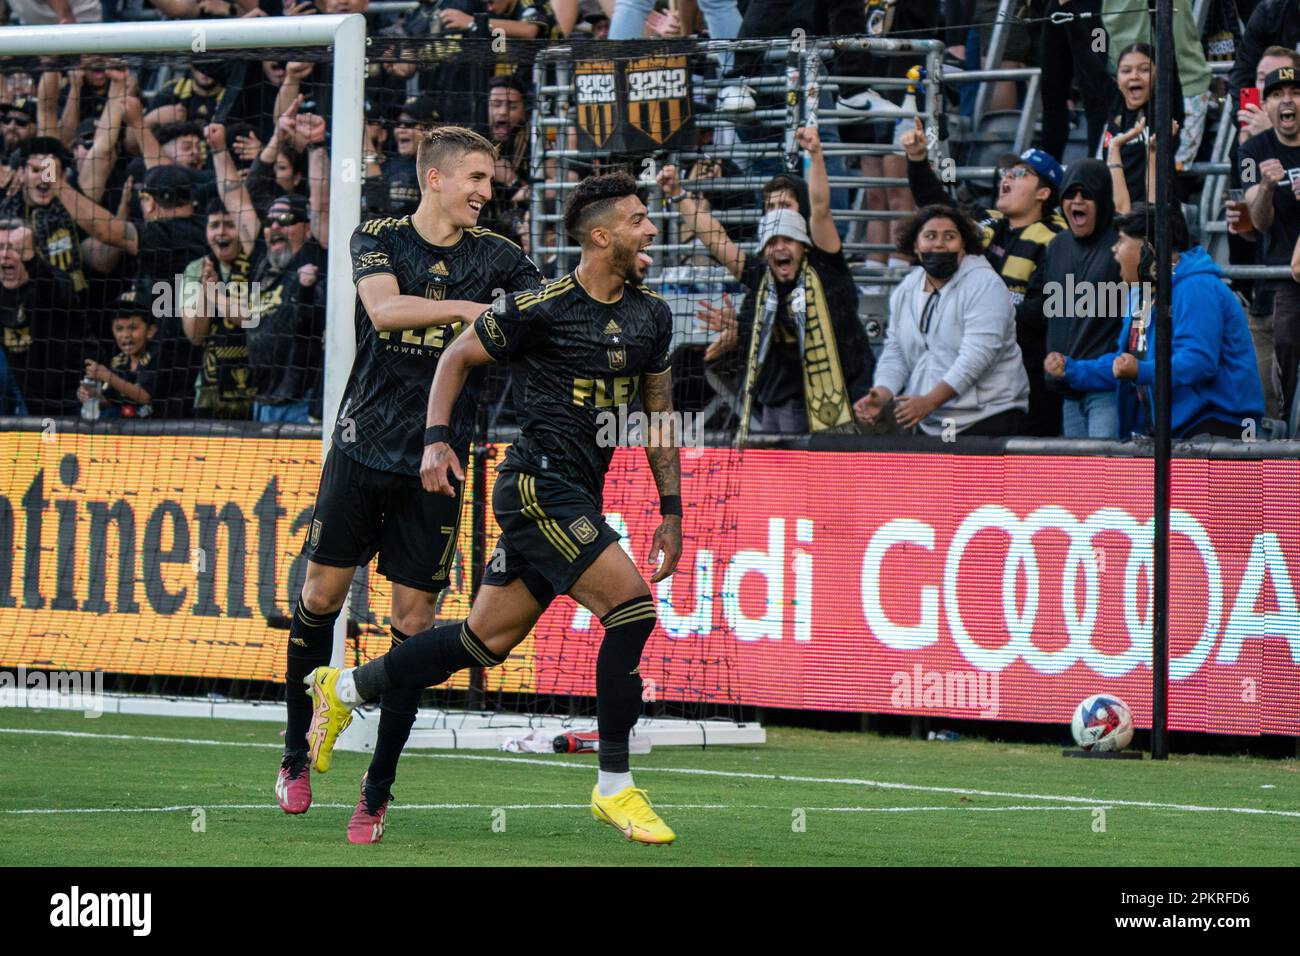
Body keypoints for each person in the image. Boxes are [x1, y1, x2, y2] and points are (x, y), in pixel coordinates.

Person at [302, 171, 683, 846]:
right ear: (601, 237)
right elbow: (456, 356)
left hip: (576, 495)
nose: (649, 230)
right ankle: (615, 787)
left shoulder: (653, 315)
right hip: (535, 487)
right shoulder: (543, 306)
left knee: (484, 642)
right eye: (635, 221)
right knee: (632, 610)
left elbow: (658, 416)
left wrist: (671, 508)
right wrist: (435, 440)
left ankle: (347, 690)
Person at [276, 126, 541, 844]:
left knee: (415, 625)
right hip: (363, 448)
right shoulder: (380, 237)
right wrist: (468, 312)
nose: (488, 191)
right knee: (321, 598)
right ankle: (297, 750)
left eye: (491, 180)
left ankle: (378, 789)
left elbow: (541, 319)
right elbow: (385, 312)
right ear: (436, 179)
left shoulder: (504, 258)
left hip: (442, 460)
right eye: (477, 178)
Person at [657, 126, 873, 435]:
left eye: (785, 206)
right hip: (781, 395)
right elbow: (716, 239)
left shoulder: (825, 258)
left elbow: (822, 209)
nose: (775, 213)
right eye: (769, 207)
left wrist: (815, 154)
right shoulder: (764, 269)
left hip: (838, 393)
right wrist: (678, 195)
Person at [902, 122, 1066, 435]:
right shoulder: (985, 224)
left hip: (1023, 380)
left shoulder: (1056, 242)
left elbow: (1047, 309)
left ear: (1043, 193)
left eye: (1021, 174)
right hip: (964, 371)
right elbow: (936, 204)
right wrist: (917, 158)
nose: (1007, 177)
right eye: (1007, 172)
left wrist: (985, 315)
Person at [1047, 205, 1264, 439]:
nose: (1114, 249)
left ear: (1148, 248)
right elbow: (1127, 363)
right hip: (1174, 432)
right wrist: (1072, 369)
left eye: (1120, 241)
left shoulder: (1196, 287)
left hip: (1218, 429)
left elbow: (1198, 362)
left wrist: (1140, 370)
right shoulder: (1144, 296)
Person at [854, 205, 1030, 437]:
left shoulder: (986, 285)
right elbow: (896, 351)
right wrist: (883, 392)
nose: (939, 244)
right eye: (930, 236)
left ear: (963, 245)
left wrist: (929, 401)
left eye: (950, 236)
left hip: (989, 419)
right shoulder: (907, 288)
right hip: (932, 423)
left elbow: (977, 357)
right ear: (916, 246)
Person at [1024, 158, 1125, 437]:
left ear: (1103, 199)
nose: (1077, 201)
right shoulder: (1056, 246)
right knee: (1081, 478)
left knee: (1105, 474)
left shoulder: (1122, 244)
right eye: (1070, 194)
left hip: (1106, 390)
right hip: (1066, 392)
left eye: (1087, 195)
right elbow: (1046, 309)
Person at [1242, 67, 1300, 420]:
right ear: (1265, 105)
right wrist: (1265, 187)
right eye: (1278, 94)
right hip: (1284, 279)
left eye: (1296, 91)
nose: (1288, 100)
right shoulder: (1252, 150)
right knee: (1287, 347)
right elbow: (1259, 221)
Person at [0, 218, 84, 418]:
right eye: (0, 247)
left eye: (14, 248)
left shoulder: (56, 282)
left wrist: (33, 261)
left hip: (67, 402)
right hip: (20, 399)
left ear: (32, 252)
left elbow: (53, 291)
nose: (4, 255)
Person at [79, 284, 168, 419]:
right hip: (126, 433)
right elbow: (113, 404)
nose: (125, 335)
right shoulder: (118, 361)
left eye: (132, 328)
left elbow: (144, 396)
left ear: (151, 330)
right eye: (119, 329)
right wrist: (93, 396)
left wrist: (107, 375)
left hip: (160, 432)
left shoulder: (159, 355)